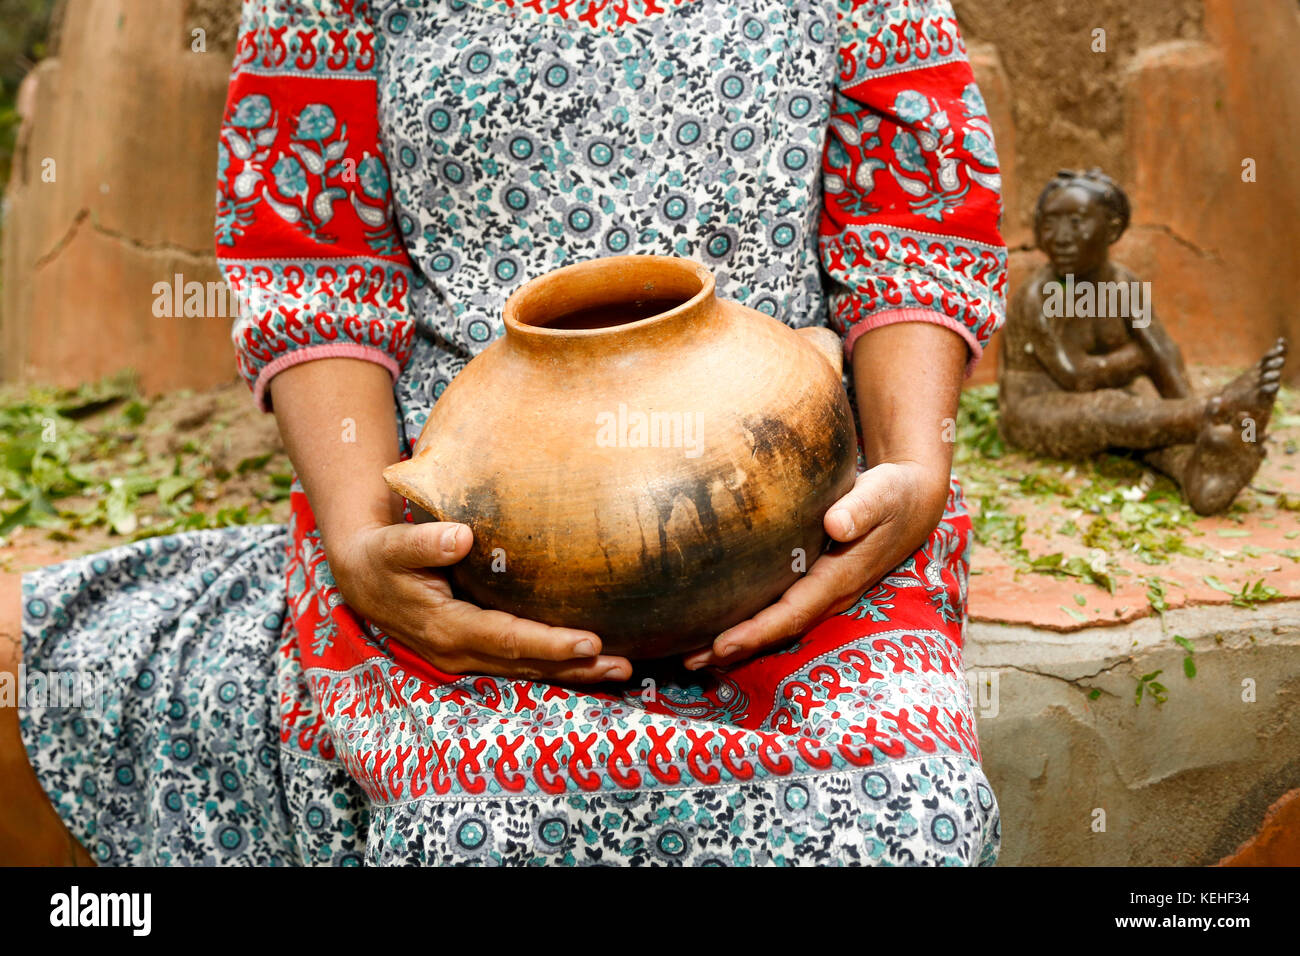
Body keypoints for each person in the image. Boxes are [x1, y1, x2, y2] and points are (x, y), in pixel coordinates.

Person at [4, 0, 1006, 865]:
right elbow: (315, 258)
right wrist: (364, 544)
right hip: (465, 537)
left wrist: (910, 470)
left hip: (796, 518)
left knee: (897, 803)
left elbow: (911, 220)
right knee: (477, 816)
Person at [999, 168, 1287, 514]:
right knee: (1114, 411)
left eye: (1077, 222)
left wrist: (1185, 410)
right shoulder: (1039, 294)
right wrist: (1142, 360)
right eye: (1048, 224)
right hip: (1036, 410)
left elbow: (1163, 353)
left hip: (1112, 402)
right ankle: (1223, 409)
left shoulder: (1124, 285)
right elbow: (1079, 377)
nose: (1060, 237)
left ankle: (1200, 479)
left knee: (1149, 419)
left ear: (1113, 229)